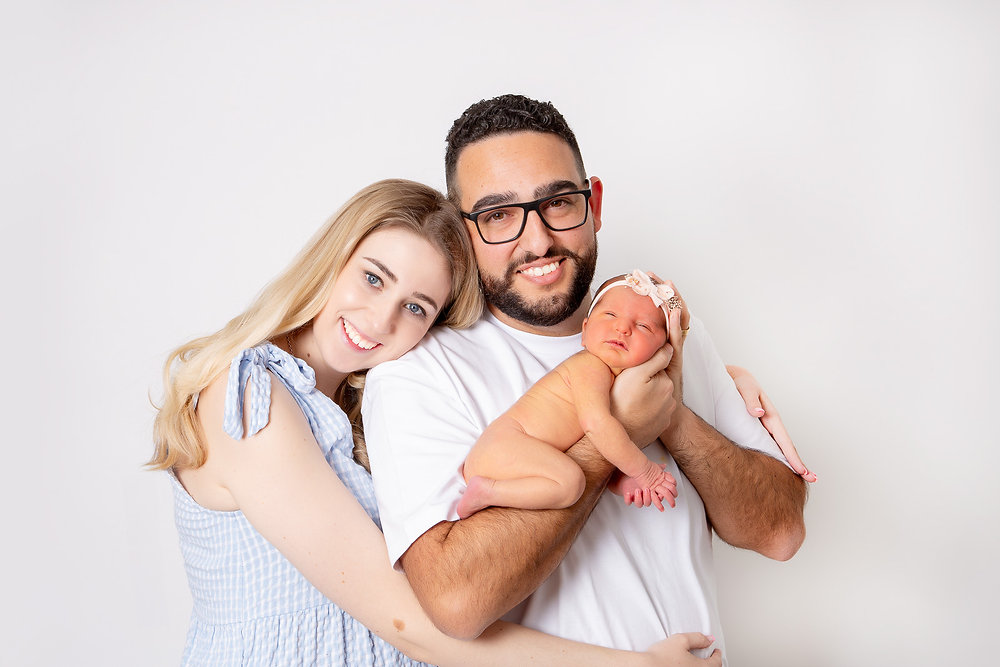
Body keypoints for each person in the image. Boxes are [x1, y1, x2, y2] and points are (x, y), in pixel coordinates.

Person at [149, 179, 718, 666]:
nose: (382, 319)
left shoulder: (352, 412)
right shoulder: (251, 396)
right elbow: (409, 624)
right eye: (374, 278)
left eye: (417, 307)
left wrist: (717, 381)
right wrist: (636, 666)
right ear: (333, 257)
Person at [362, 96, 812, 662]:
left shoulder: (664, 331)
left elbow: (781, 532)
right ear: (463, 233)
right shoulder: (419, 375)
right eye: (498, 215)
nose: (537, 241)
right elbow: (456, 602)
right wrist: (616, 432)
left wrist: (672, 418)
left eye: (557, 202)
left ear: (593, 203)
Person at [458, 270, 685, 518]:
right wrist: (644, 471)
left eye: (643, 326)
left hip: (516, 453)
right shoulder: (590, 366)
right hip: (504, 447)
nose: (622, 327)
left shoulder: (620, 388)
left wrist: (623, 480)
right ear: (585, 331)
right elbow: (597, 427)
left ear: (663, 350)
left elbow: (595, 448)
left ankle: (492, 491)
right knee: (570, 482)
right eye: (610, 315)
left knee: (571, 477)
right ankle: (488, 490)